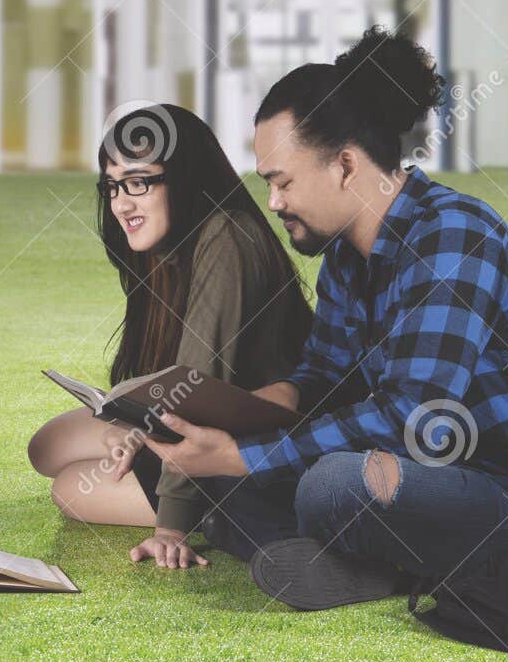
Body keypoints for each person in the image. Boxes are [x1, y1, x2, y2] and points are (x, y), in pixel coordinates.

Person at [115, 28, 508, 609]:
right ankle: (354, 563)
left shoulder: (455, 237)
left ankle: (385, 568)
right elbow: (325, 378)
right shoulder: (346, 258)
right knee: (180, 460)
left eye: (282, 181)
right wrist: (244, 413)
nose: (273, 202)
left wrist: (246, 456)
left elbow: (412, 418)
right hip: (424, 477)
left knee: (335, 485)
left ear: (346, 165)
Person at [27, 104, 312, 568]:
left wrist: (171, 524)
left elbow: (193, 381)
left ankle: (219, 513)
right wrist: (135, 426)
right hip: (191, 421)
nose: (122, 203)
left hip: (244, 444)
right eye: (113, 186)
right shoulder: (164, 250)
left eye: (139, 182)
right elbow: (163, 374)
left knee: (70, 491)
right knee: (47, 446)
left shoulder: (226, 233)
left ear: (183, 177)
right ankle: (156, 464)